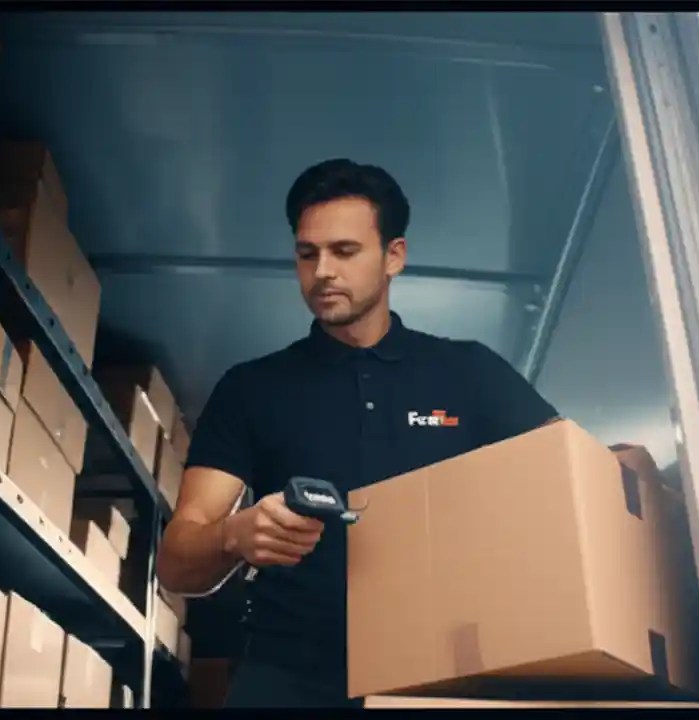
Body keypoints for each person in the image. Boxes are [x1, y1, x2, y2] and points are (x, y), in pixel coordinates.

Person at [155, 158, 561, 708]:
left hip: (442, 675)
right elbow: (178, 562)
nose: (322, 271)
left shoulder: (471, 373)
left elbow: (570, 482)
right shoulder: (251, 387)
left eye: (344, 251)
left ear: (394, 255)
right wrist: (235, 535)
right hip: (287, 677)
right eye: (307, 253)